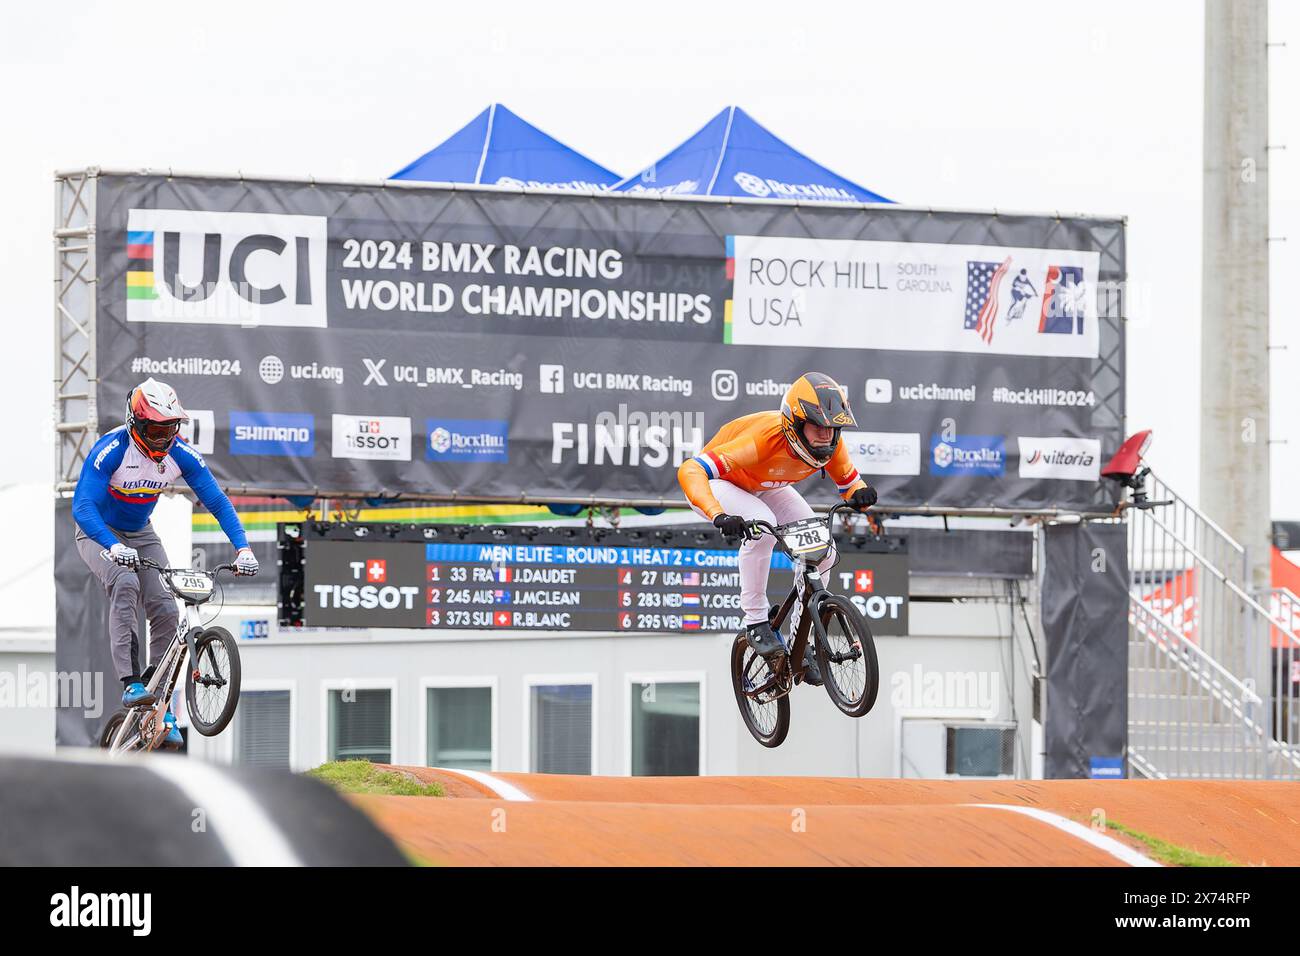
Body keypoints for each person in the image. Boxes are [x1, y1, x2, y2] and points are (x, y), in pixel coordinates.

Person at [72, 378, 258, 749]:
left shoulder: (182, 454)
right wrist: (110, 545)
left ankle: (160, 707)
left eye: (169, 428)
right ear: (135, 424)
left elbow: (218, 502)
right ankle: (132, 684)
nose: (161, 438)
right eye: (154, 428)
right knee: (126, 583)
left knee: (167, 609)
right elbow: (82, 507)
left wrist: (244, 549)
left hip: (141, 532)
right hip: (97, 532)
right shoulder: (110, 450)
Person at [677, 372, 877, 683]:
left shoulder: (831, 443)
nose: (827, 436)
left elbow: (850, 485)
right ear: (794, 424)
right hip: (719, 486)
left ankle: (802, 638)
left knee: (824, 550)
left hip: (763, 484)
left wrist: (860, 495)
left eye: (833, 429)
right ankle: (756, 620)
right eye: (818, 427)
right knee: (763, 522)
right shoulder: (762, 441)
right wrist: (718, 515)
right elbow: (691, 469)